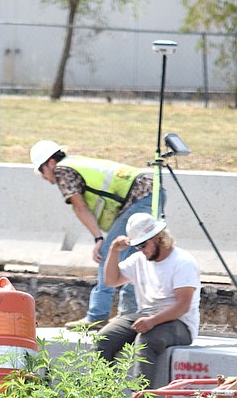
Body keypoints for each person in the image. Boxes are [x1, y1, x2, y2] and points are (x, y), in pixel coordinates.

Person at [30, 140, 163, 328]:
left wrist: (99, 239)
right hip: (152, 191)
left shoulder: (62, 170)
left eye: (41, 171)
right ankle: (130, 316)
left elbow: (80, 206)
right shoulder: (76, 163)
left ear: (50, 163)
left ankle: (97, 316)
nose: (44, 177)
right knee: (136, 257)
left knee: (110, 253)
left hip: (141, 196)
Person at [96, 213, 200, 390]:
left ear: (159, 238)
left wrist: (152, 322)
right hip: (146, 315)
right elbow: (111, 280)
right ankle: (104, 395)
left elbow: (183, 306)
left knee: (145, 341)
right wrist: (114, 250)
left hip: (180, 323)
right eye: (137, 246)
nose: (142, 250)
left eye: (144, 245)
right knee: (103, 340)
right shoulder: (139, 259)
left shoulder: (183, 261)